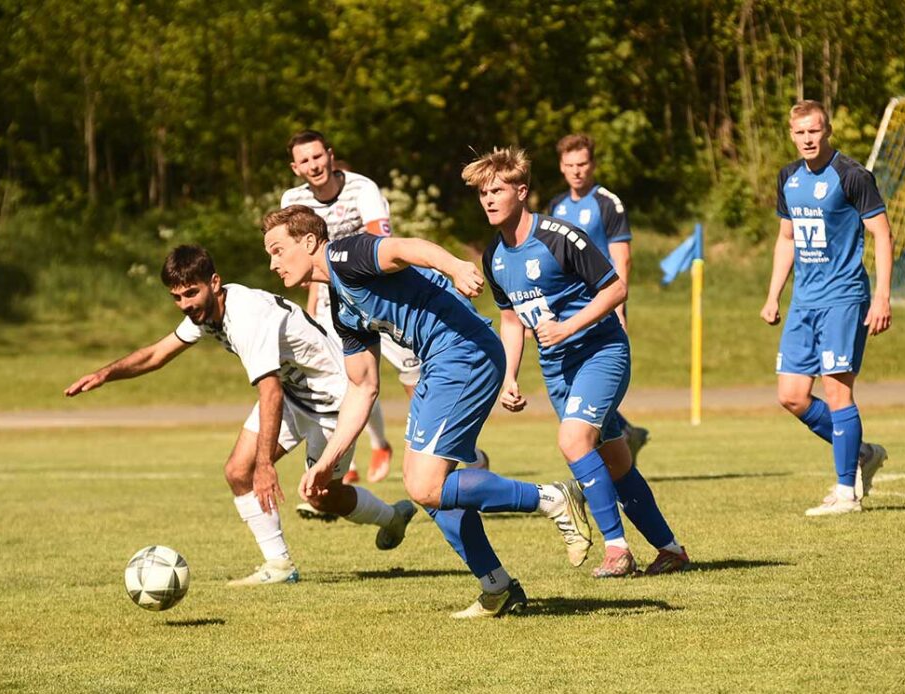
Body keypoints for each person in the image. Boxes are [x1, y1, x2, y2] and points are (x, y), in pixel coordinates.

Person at [262, 205, 592, 618]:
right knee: (430, 491)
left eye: (278, 250)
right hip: (439, 363)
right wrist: (327, 463)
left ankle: (552, 498)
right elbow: (363, 389)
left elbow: (405, 247)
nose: (273, 263)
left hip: (463, 351)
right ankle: (498, 586)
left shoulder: (346, 255)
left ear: (309, 241)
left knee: (424, 485)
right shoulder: (341, 309)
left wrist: (455, 266)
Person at [64, 245, 416, 585]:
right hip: (296, 396)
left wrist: (266, 464)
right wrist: (106, 374)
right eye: (177, 297)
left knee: (320, 496)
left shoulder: (246, 315)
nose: (185, 304)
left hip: (335, 403)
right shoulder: (205, 313)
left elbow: (270, 390)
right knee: (237, 471)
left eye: (191, 293)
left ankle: (393, 517)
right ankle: (278, 564)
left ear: (214, 283)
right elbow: (157, 354)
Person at [466, 147, 690, 578]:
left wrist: (568, 329)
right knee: (616, 461)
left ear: (522, 191)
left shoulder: (558, 236)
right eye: (482, 194)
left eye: (497, 190)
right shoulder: (494, 256)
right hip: (556, 368)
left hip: (600, 352)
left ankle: (617, 550)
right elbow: (512, 320)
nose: (489, 200)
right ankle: (670, 549)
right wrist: (509, 376)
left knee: (572, 442)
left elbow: (615, 289)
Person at [760, 100, 892, 516]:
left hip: (844, 297)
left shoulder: (852, 176)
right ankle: (862, 453)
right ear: (791, 134)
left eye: (814, 131)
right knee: (792, 396)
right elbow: (786, 238)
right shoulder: (788, 177)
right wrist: (773, 294)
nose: (807, 139)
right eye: (800, 132)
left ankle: (845, 493)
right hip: (804, 301)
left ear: (827, 130)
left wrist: (883, 295)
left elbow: (883, 235)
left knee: (837, 392)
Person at [281, 130, 421, 488]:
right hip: (334, 304)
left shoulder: (363, 189)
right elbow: (299, 257)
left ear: (330, 154)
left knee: (413, 379)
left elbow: (382, 243)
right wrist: (312, 306)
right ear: (296, 168)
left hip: (378, 299)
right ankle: (347, 464)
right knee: (349, 382)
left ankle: (433, 450)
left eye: (318, 156)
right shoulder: (293, 200)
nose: (314, 165)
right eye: (305, 161)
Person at [547, 133, 649, 463]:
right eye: (570, 165)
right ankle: (625, 434)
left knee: (594, 375)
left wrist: (618, 307)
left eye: (583, 164)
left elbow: (623, 258)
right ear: (562, 168)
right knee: (574, 380)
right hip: (567, 308)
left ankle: (613, 444)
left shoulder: (607, 203)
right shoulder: (556, 206)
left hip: (603, 304)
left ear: (593, 165)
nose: (577, 171)